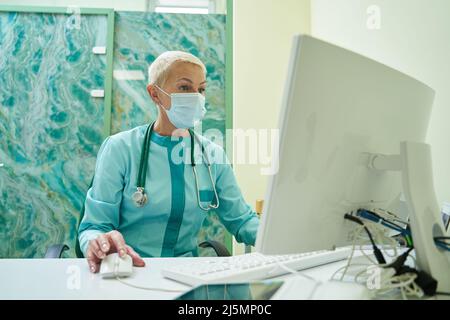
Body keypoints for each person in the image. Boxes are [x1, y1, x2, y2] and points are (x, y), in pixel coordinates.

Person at [78, 51, 259, 273]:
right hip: (130, 271)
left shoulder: (213, 155)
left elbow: (242, 221)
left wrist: (284, 236)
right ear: (155, 94)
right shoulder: (120, 149)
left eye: (201, 89)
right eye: (185, 88)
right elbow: (94, 226)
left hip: (188, 276)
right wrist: (99, 243)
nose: (196, 97)